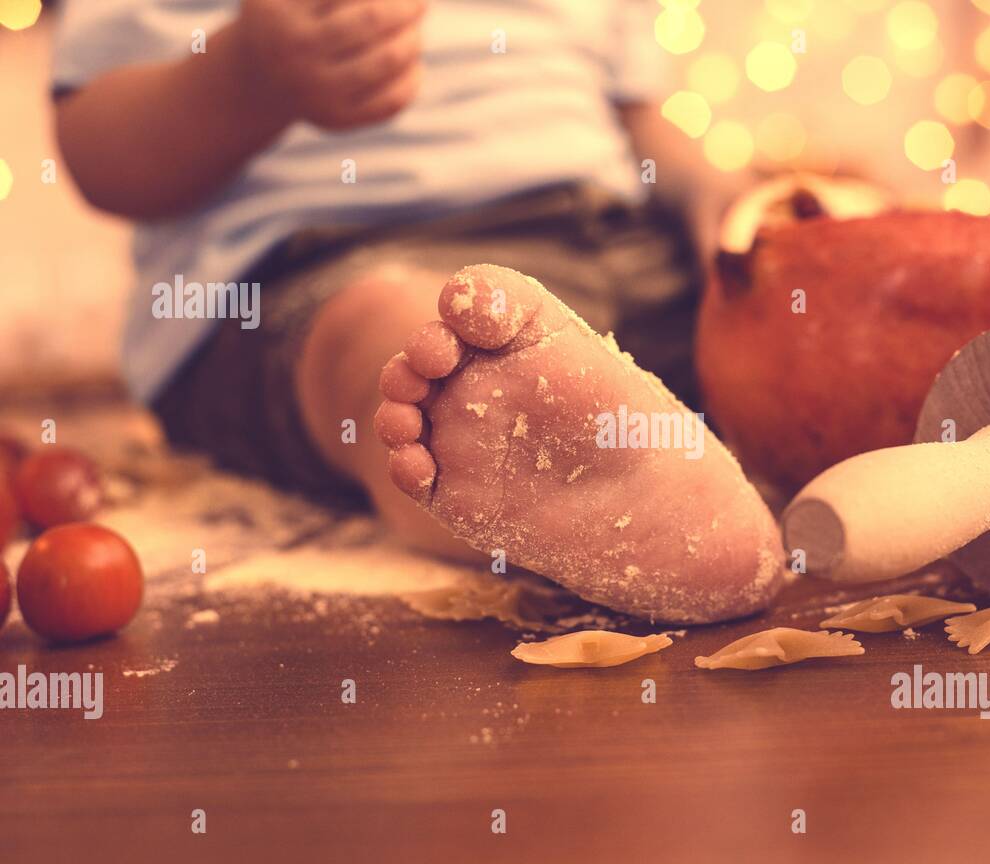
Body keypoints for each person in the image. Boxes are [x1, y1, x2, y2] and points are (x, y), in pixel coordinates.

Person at [52, 0, 786, 622]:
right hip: (321, 256)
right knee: (398, 338)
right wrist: (251, 78)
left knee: (805, 309)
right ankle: (500, 455)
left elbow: (636, 114)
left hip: (618, 237)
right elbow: (99, 148)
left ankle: (660, 440)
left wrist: (709, 190)